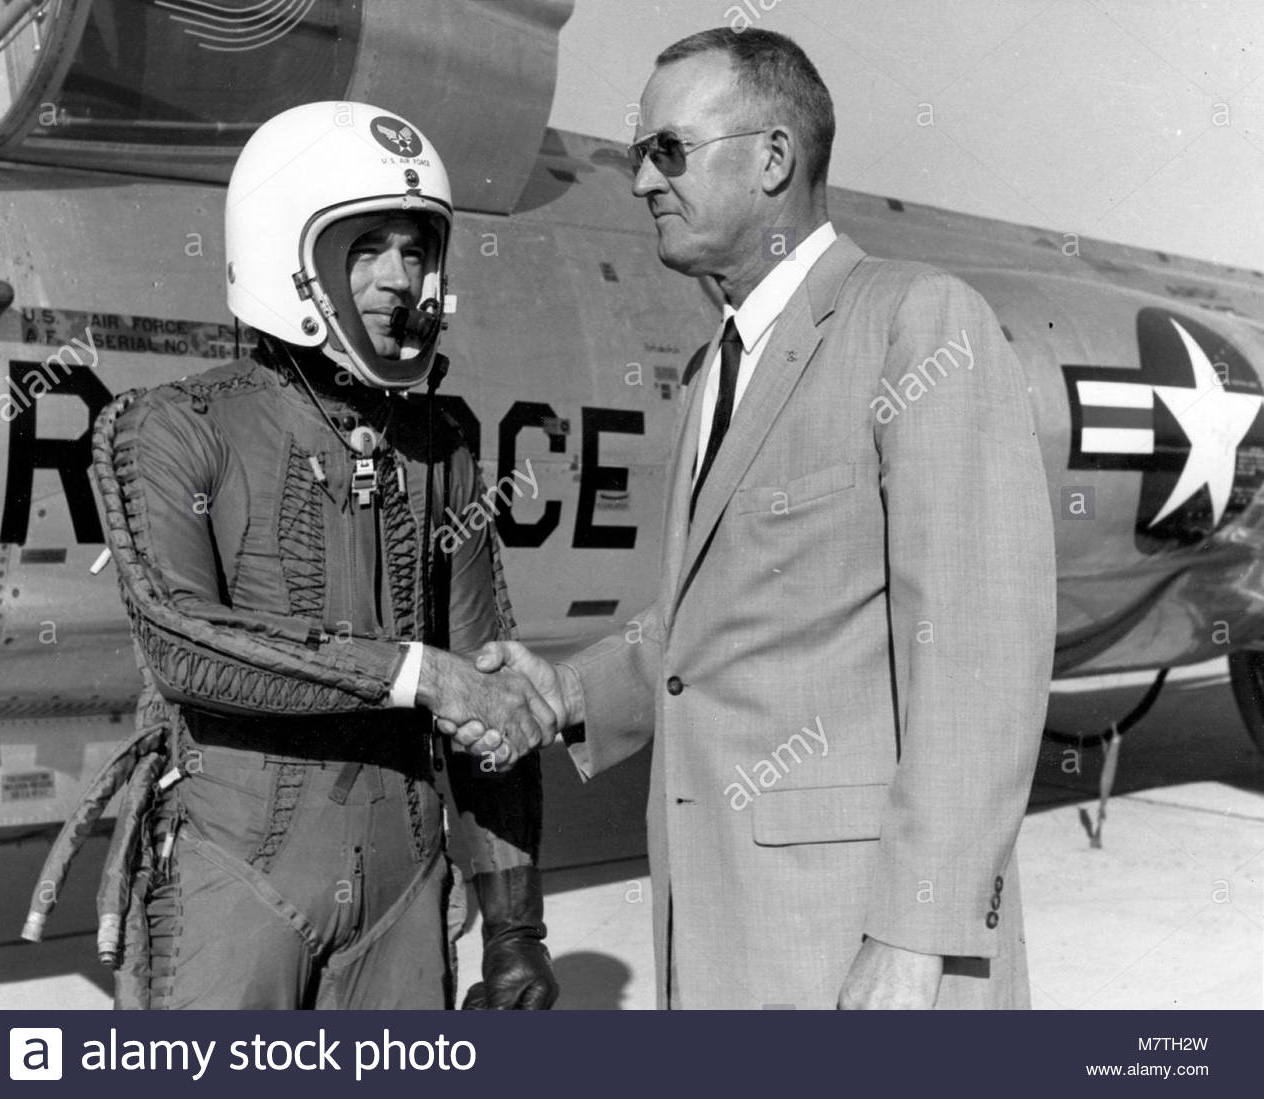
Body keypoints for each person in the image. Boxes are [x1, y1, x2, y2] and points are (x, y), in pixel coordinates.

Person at [451, 29, 1056, 1009]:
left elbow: (978, 656)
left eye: (668, 150)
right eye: (640, 150)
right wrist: (565, 692)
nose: (641, 178)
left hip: (860, 946)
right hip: (722, 940)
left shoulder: (915, 323)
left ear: (773, 158)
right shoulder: (713, 371)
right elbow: (704, 641)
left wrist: (916, 933)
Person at [54, 102, 558, 1010]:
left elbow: (496, 695)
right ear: (292, 253)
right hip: (230, 881)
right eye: (367, 248)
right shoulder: (169, 428)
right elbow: (189, 645)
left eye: (416, 250)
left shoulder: (442, 446)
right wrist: (419, 676)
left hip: (406, 896)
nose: (400, 280)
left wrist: (515, 927)